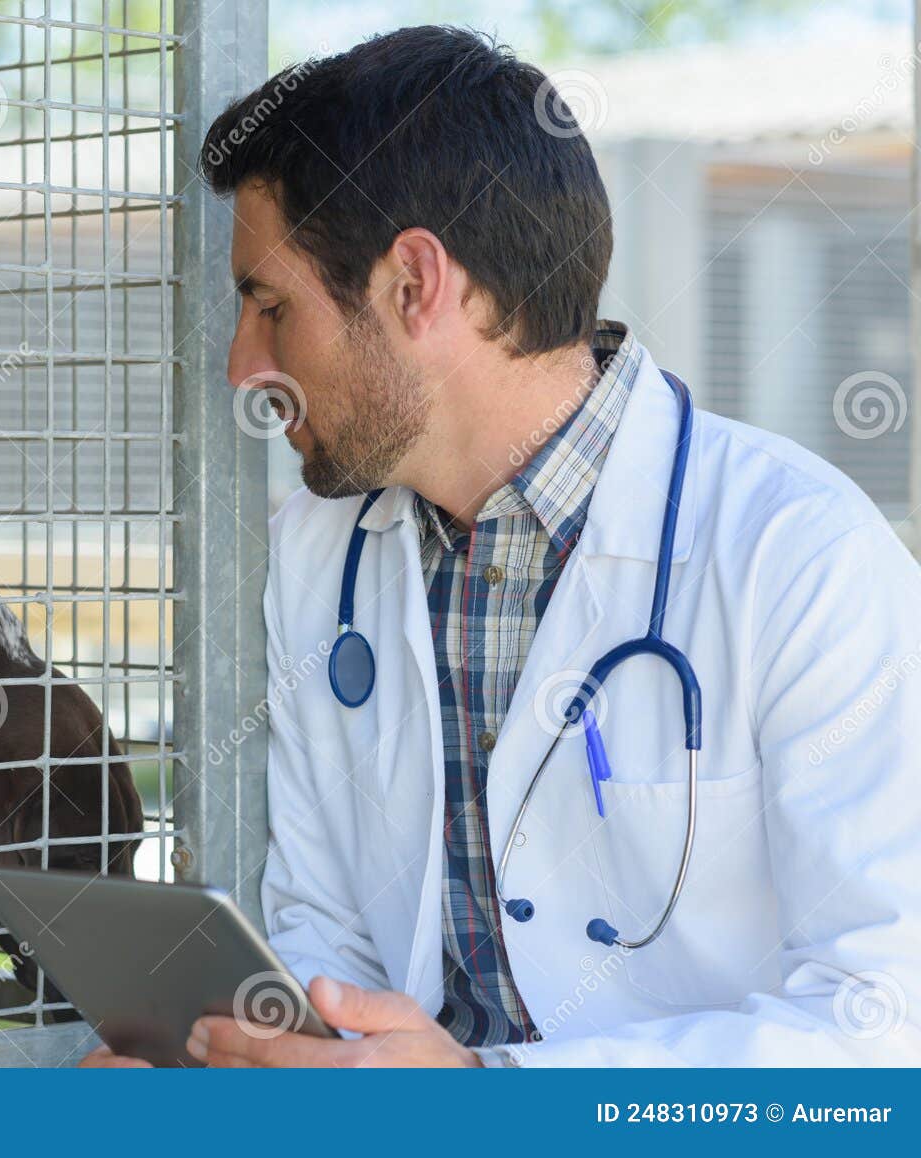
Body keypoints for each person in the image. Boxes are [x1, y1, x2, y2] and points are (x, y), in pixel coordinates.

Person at [83, 25, 921, 1068]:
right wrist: (226, 1057)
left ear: (415, 284)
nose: (242, 366)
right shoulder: (318, 551)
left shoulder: (802, 560)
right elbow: (325, 938)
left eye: (269, 306)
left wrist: (487, 1097)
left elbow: (883, 1034)